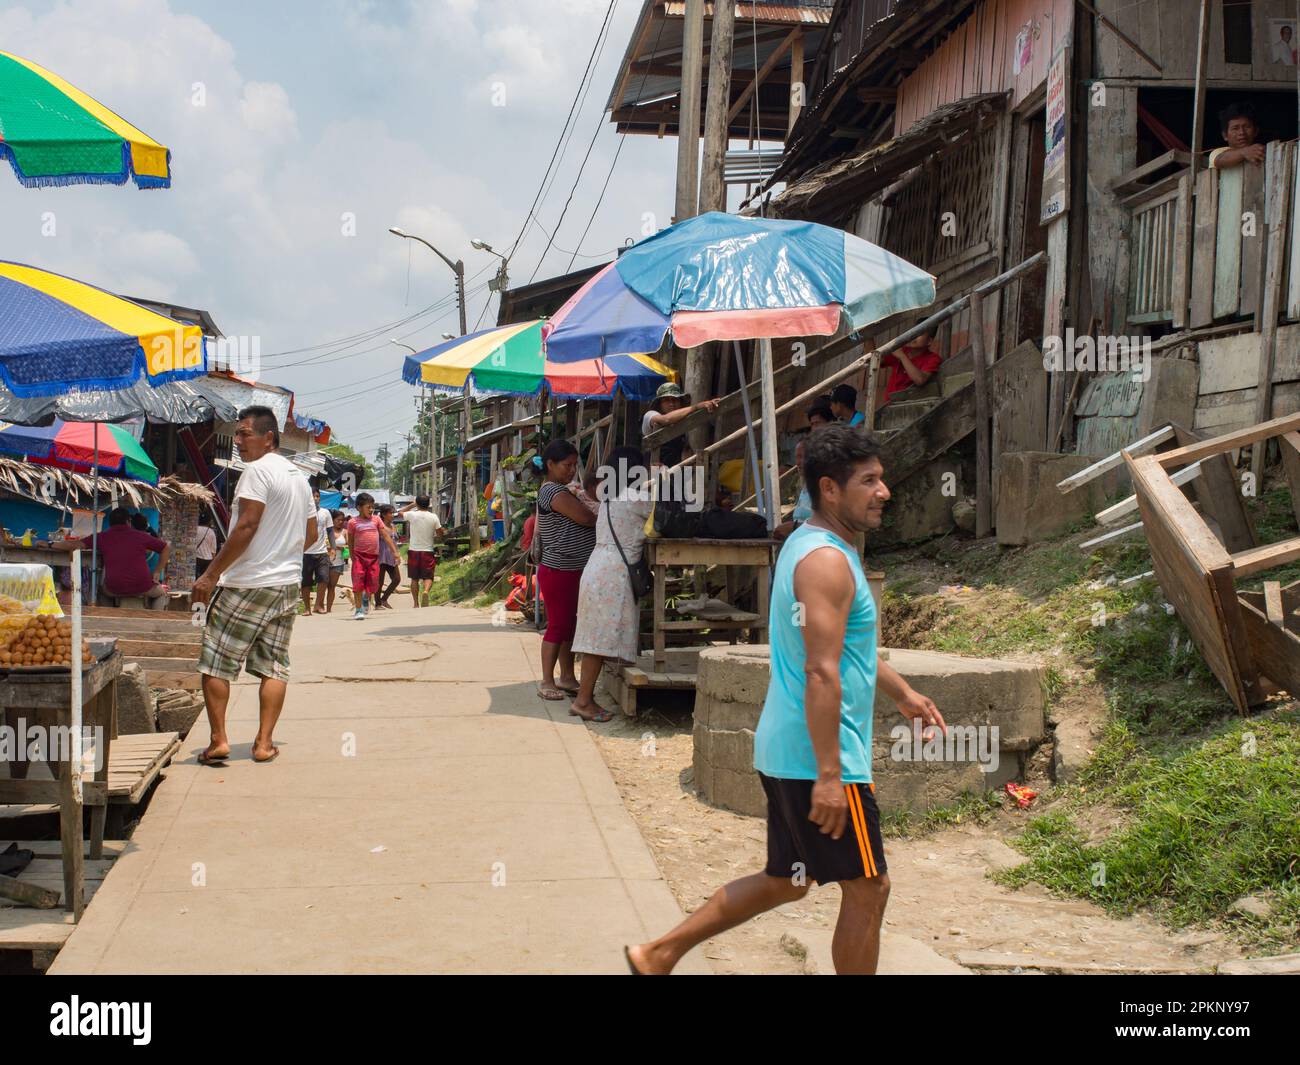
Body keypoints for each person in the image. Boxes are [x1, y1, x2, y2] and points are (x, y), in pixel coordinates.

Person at [626, 425, 946, 975]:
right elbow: (821, 671)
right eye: (869, 480)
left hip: (787, 748)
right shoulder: (825, 562)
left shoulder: (809, 543)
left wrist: (904, 693)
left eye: (881, 478)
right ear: (829, 487)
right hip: (818, 756)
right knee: (869, 888)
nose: (884, 491)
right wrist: (829, 774)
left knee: (788, 880)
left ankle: (659, 954)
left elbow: (846, 648)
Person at [190, 405, 316, 766]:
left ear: (268, 438)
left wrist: (211, 574)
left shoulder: (257, 472)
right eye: (238, 434)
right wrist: (280, 554)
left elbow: (246, 525)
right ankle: (263, 744)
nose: (239, 441)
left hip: (247, 583)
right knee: (274, 665)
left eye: (245, 433)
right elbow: (309, 535)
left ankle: (219, 741)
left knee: (215, 660)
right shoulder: (299, 478)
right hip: (286, 585)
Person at [569, 447, 655, 723]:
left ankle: (586, 697)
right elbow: (664, 514)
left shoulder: (610, 496)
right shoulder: (636, 498)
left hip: (597, 568)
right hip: (613, 574)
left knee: (595, 638)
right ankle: (583, 701)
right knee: (598, 642)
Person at [534, 438, 597, 700]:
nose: (571, 470)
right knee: (558, 626)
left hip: (573, 568)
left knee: (569, 625)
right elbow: (585, 518)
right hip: (559, 569)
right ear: (550, 464)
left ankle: (567, 676)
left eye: (574, 465)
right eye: (566, 465)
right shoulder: (552, 491)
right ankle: (547, 681)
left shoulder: (564, 490)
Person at [55, 507, 170, 610]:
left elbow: (74, 544)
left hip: (114, 588)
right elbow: (166, 547)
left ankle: (108, 618)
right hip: (143, 585)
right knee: (161, 593)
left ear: (110, 524)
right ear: (128, 522)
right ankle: (157, 619)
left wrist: (50, 544)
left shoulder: (101, 537)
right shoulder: (141, 536)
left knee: (102, 592)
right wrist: (157, 571)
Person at [641, 382, 720, 468]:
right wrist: (696, 407)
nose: (672, 404)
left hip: (676, 470)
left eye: (675, 400)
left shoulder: (682, 419)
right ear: (659, 404)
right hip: (652, 469)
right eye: (666, 400)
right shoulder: (651, 414)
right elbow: (666, 419)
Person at [347, 493, 397, 619]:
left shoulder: (376, 520)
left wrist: (395, 552)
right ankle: (358, 610)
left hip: (374, 557)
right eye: (368, 507)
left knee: (374, 583)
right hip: (359, 556)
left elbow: (385, 536)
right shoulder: (353, 522)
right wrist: (352, 556)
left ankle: (366, 598)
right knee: (358, 582)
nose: (371, 510)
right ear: (359, 507)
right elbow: (351, 541)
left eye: (372, 507)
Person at [397, 494, 444, 608]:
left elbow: (400, 512)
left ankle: (416, 603)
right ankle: (426, 591)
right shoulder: (434, 517)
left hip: (414, 550)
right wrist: (438, 535)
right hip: (427, 550)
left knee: (414, 578)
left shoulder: (412, 515)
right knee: (428, 576)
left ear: (417, 504)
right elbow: (440, 533)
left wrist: (412, 505)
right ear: (428, 504)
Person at [876, 332, 943, 409]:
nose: (914, 337)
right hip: (888, 405)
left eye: (919, 334)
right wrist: (868, 338)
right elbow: (877, 361)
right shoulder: (903, 350)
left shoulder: (933, 358)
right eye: (913, 333)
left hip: (910, 406)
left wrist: (902, 357)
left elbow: (920, 380)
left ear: (929, 341)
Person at [300, 486, 334, 616]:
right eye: (313, 496)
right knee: (306, 582)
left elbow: (330, 531)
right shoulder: (301, 512)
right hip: (306, 553)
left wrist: (333, 548)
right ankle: (307, 608)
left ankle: (318, 605)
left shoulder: (325, 512)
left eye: (318, 496)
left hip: (321, 552)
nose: (315, 499)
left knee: (324, 579)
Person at [774, 437, 814, 541]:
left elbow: (825, 527)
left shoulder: (821, 488)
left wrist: (793, 527)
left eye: (803, 457)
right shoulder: (805, 487)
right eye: (797, 457)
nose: (798, 462)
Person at [1210, 102, 1266, 170]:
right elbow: (1219, 160)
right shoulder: (1217, 153)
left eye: (1247, 127)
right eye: (1235, 128)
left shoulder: (1262, 152)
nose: (1242, 132)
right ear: (1225, 135)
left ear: (1256, 131)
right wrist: (1244, 152)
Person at [376, 504, 402, 609]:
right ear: (383, 514)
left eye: (393, 513)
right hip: (381, 556)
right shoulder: (378, 526)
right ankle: (377, 603)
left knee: (396, 579)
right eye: (390, 513)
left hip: (392, 556)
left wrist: (397, 553)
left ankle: (384, 599)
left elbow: (394, 541)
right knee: (379, 582)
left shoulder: (393, 526)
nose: (392, 515)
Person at [325, 510, 348, 612]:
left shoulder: (345, 532)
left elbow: (348, 546)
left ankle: (329, 609)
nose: (340, 522)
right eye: (338, 520)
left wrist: (336, 547)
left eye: (342, 520)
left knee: (331, 587)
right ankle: (320, 606)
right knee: (322, 585)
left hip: (338, 562)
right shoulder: (326, 531)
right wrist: (338, 547)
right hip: (324, 562)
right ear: (332, 520)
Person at [194, 513, 217, 579]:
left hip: (197, 557)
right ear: (209, 521)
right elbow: (213, 549)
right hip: (208, 558)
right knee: (204, 577)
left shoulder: (195, 529)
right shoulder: (211, 532)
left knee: (195, 577)